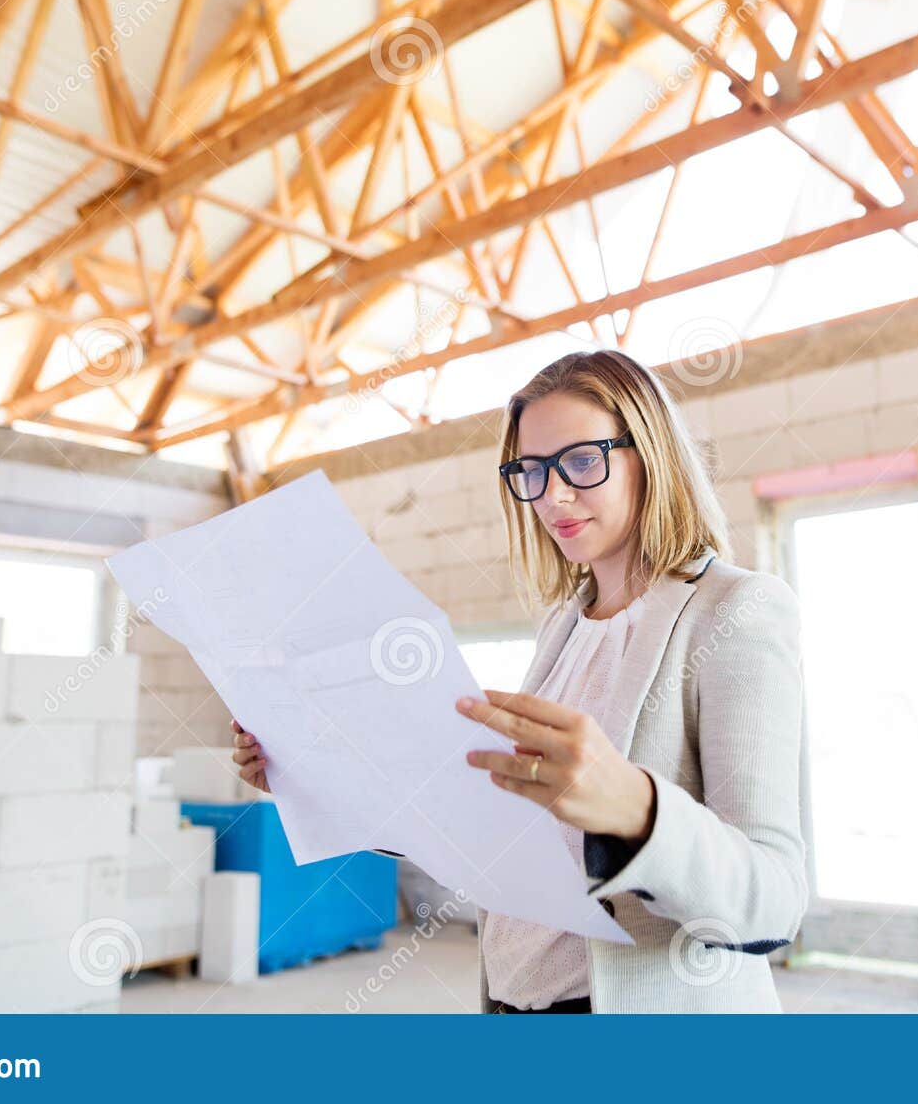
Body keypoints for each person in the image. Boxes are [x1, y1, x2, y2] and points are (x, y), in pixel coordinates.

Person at [233, 348, 808, 1013]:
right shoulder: (565, 626)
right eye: (531, 471)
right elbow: (492, 837)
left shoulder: (734, 610)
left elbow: (774, 899)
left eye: (582, 461)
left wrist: (636, 809)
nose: (552, 494)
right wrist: (315, 781)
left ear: (649, 454)